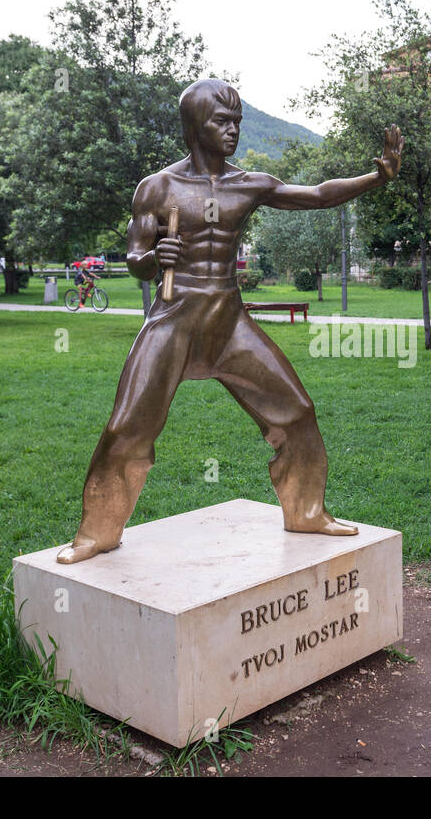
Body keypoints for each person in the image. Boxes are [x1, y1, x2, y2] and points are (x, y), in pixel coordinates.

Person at [59, 78, 403, 564]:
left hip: (227, 321)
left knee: (298, 411)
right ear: (196, 125)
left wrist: (377, 178)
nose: (233, 130)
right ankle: (97, 532)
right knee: (127, 427)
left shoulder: (250, 184)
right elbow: (135, 259)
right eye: (222, 121)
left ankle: (306, 510)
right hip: (174, 320)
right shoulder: (158, 188)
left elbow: (320, 194)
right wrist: (155, 254)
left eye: (237, 122)